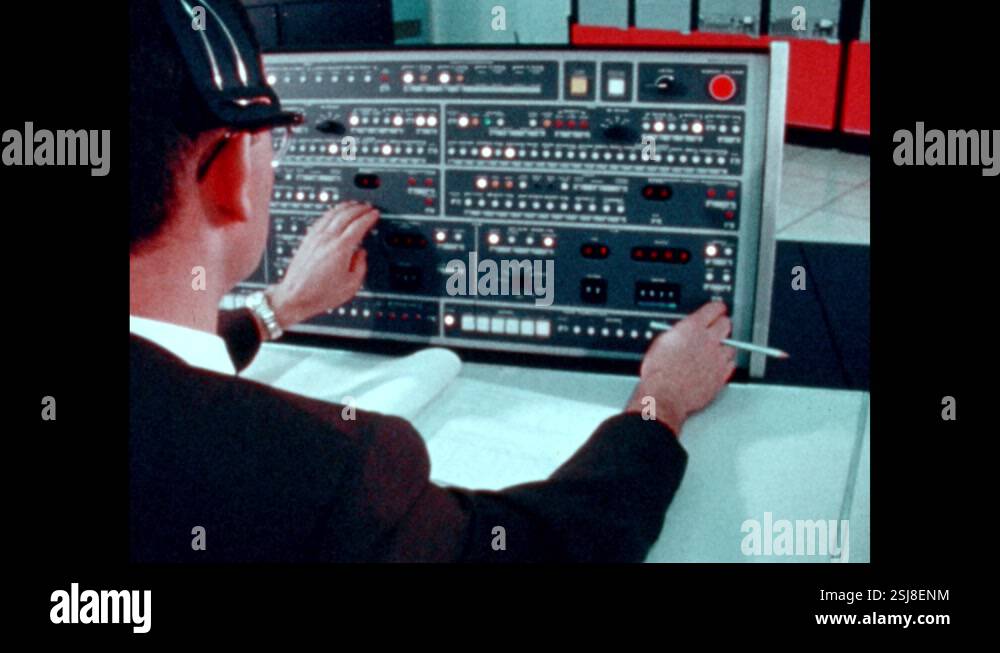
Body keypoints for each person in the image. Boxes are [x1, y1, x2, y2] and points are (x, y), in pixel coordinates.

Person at [129, 0, 736, 562]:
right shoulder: (329, 474)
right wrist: (663, 398)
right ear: (232, 171)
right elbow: (550, 546)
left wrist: (277, 309)